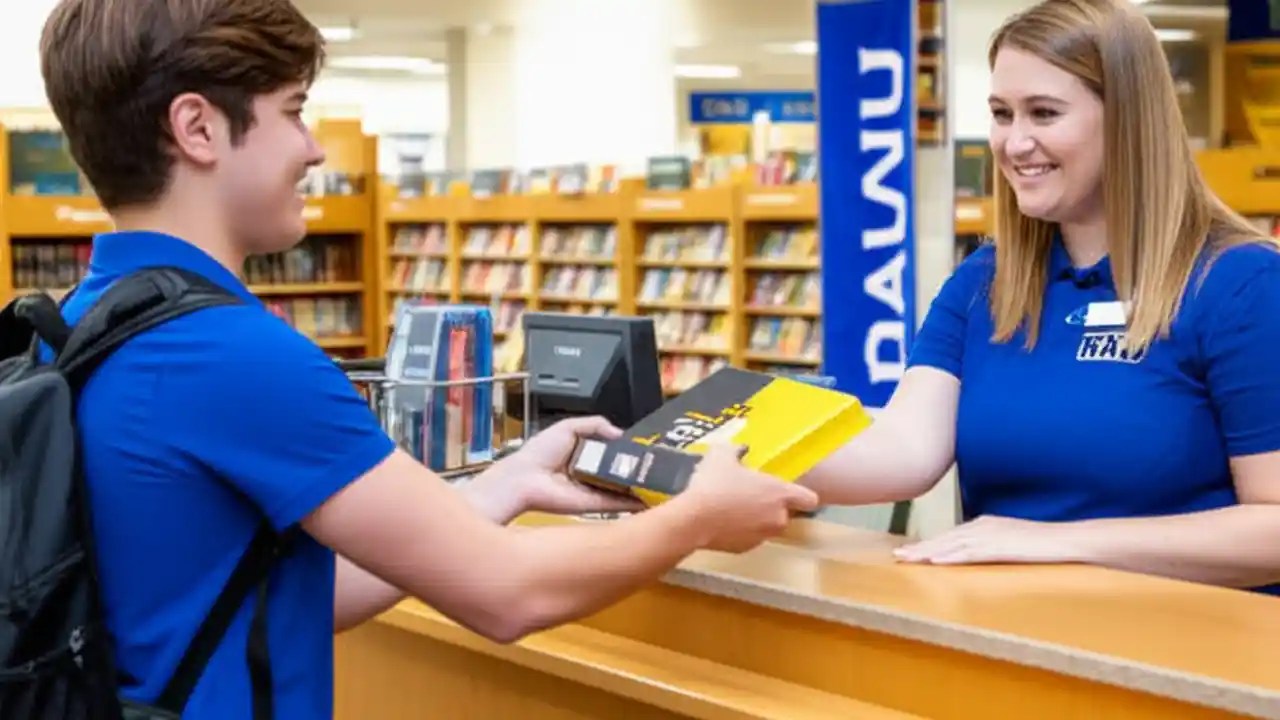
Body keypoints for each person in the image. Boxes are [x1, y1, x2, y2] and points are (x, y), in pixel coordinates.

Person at [36, 0, 818, 717]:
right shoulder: (233, 357)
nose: (313, 150)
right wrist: (698, 516)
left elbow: (265, 593)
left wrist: (491, 490)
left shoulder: (82, 323)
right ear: (198, 128)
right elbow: (508, 595)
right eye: (294, 112)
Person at [802, 0, 1280, 594]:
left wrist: (1058, 542)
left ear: (1128, 121)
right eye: (1002, 114)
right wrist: (736, 455)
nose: (1014, 143)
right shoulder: (984, 282)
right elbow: (904, 450)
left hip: (1185, 654)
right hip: (1013, 641)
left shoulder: (1242, 285)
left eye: (1044, 113)